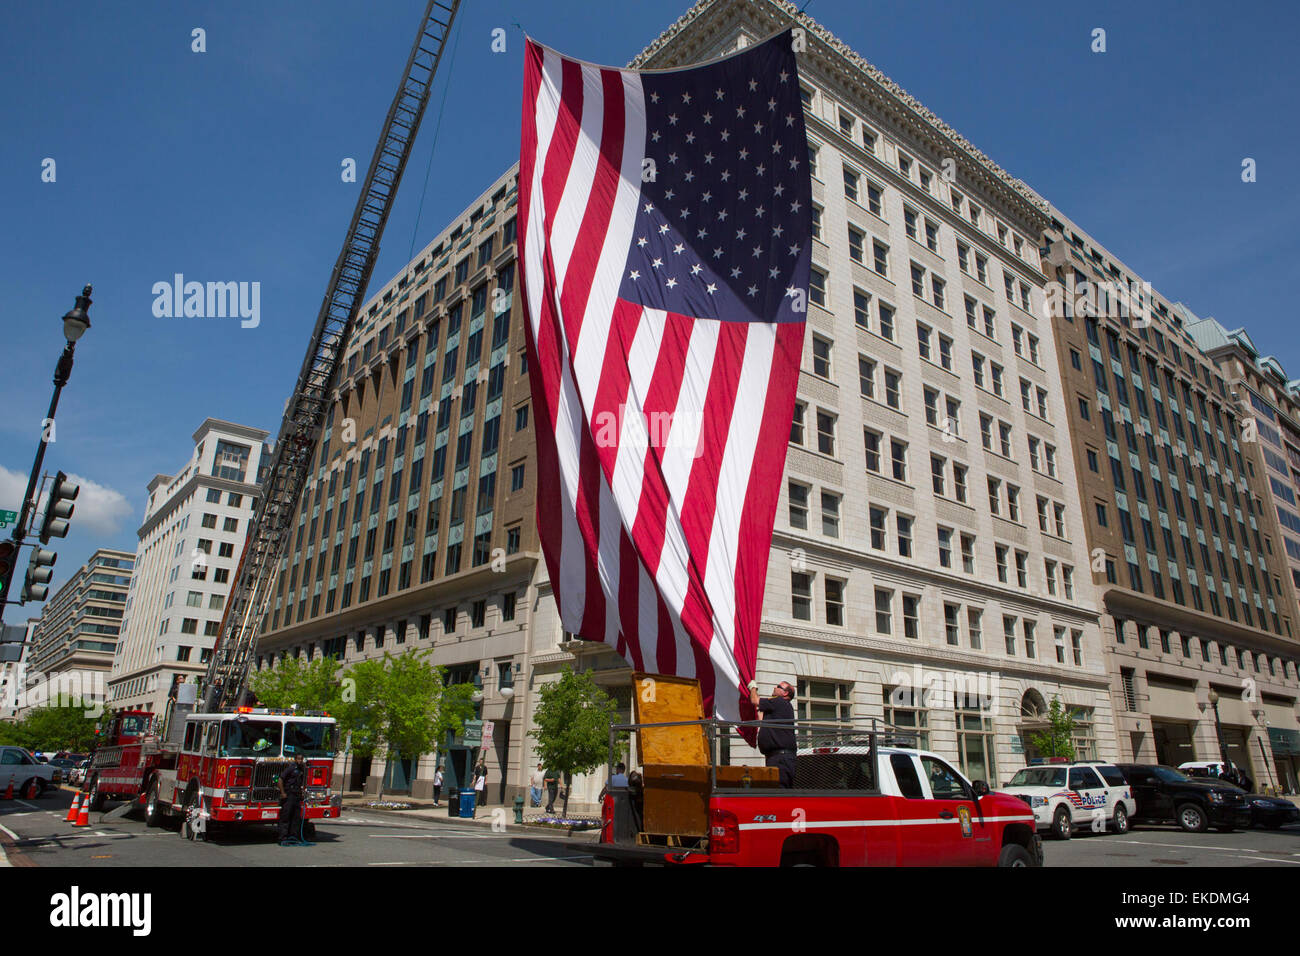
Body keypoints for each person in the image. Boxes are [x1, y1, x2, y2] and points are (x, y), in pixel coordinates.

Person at [749, 679, 797, 788]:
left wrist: (752, 687)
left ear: (785, 693)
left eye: (778, 686)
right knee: (776, 790)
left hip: (780, 758)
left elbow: (754, 700)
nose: (775, 687)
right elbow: (761, 720)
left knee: (779, 792)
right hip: (777, 757)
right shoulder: (779, 706)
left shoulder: (779, 702)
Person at [277, 749, 307, 844]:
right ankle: (283, 838)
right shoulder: (291, 768)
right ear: (295, 759)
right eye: (298, 759)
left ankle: (293, 837)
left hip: (297, 795)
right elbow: (280, 780)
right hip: (289, 794)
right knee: (285, 817)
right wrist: (283, 793)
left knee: (296, 817)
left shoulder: (302, 769)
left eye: (301, 759)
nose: (300, 761)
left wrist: (302, 793)